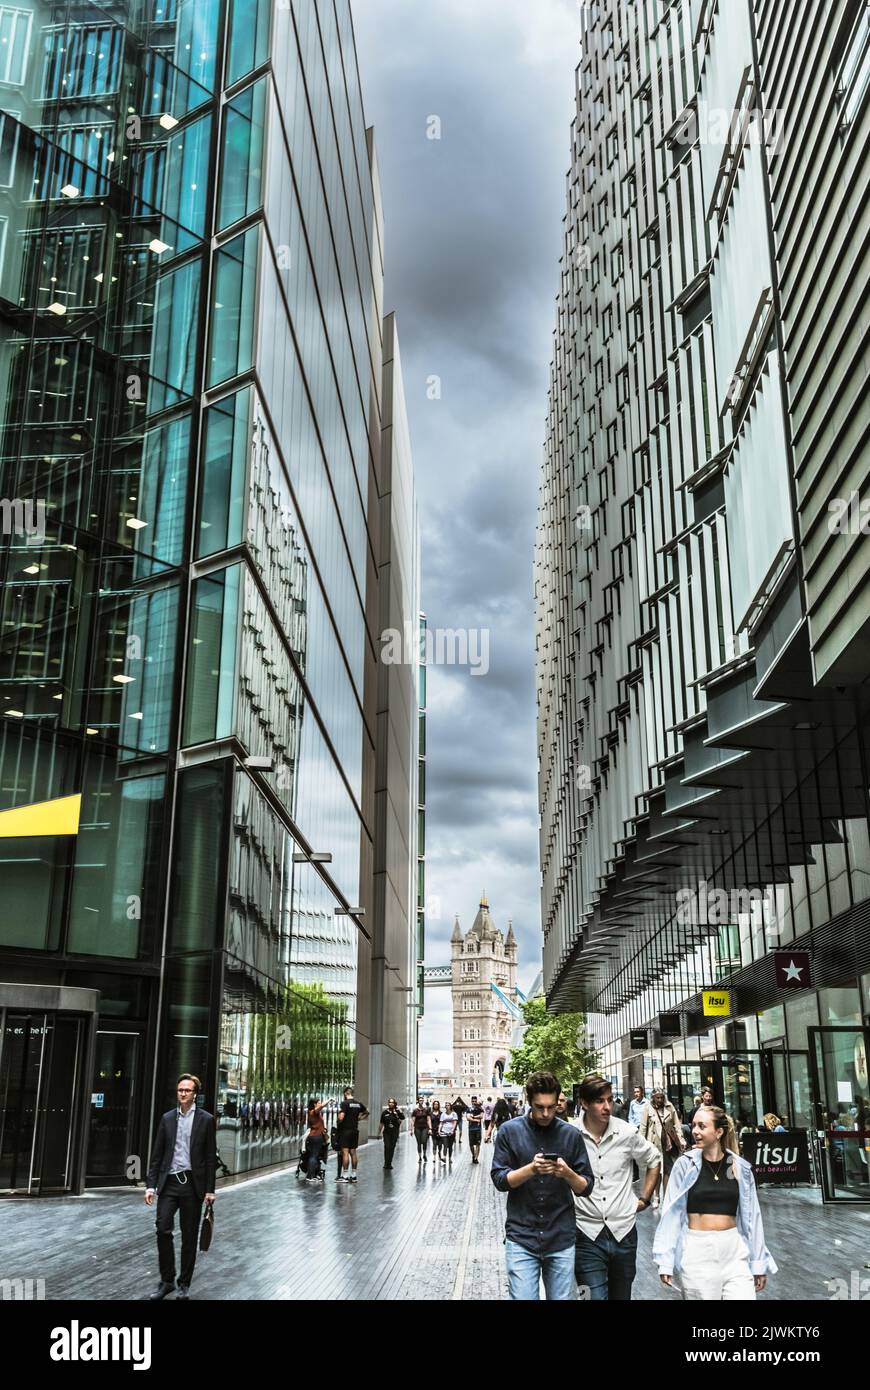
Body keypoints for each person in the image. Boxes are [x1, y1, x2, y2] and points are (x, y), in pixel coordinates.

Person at [653, 1104, 777, 1300]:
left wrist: (758, 1262)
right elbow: (672, 1214)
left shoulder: (738, 1167)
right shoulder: (685, 1165)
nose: (695, 1131)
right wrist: (665, 1260)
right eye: (694, 1126)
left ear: (719, 1132)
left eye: (702, 1126)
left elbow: (752, 1217)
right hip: (697, 1251)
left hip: (734, 1250)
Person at [491, 1070, 594, 1301]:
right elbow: (499, 1180)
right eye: (539, 1107)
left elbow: (586, 1187)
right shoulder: (509, 1131)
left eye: (551, 1107)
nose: (546, 1113)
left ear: (559, 1101)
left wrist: (567, 1173)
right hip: (521, 1237)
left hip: (560, 1237)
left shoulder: (571, 1135)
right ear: (529, 1102)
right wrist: (531, 1169)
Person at [571, 1074, 661, 1300]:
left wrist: (645, 1198)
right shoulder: (570, 1135)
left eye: (610, 1100)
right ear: (584, 1103)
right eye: (600, 1101)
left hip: (624, 1233)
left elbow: (654, 1160)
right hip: (586, 1234)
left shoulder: (627, 1133)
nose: (607, 1107)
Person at [145, 1073, 216, 1300]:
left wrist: (210, 1189)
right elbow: (157, 1155)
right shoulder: (167, 1119)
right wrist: (150, 1186)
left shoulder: (206, 1120)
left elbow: (209, 1157)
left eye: (187, 1090)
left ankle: (184, 1283)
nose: (183, 1093)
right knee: (162, 1228)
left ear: (195, 1094)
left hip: (192, 1186)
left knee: (188, 1236)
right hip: (169, 1183)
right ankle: (167, 1280)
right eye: (180, 1090)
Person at [640, 1089, 685, 1204]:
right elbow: (643, 1127)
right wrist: (641, 1144)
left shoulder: (669, 1107)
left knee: (667, 1170)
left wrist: (681, 1139)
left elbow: (677, 1125)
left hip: (668, 1144)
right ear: (653, 1097)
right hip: (654, 1144)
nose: (660, 1100)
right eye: (657, 1097)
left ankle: (666, 1197)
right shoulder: (647, 1108)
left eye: (661, 1097)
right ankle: (656, 1196)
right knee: (656, 1171)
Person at [337, 1086, 369, 1182]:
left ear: (346, 1093)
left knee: (345, 1152)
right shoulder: (358, 1104)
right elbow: (367, 1112)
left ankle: (345, 1176)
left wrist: (339, 1118)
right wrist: (359, 1118)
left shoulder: (344, 1103)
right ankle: (354, 1175)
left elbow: (341, 1117)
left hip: (346, 1131)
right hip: (355, 1130)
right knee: (353, 1152)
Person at [304, 1096, 328, 1181]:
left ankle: (313, 1174)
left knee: (315, 1156)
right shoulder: (312, 1112)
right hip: (315, 1137)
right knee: (313, 1156)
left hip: (316, 1136)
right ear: (314, 1104)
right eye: (318, 1102)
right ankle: (310, 1176)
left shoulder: (314, 1113)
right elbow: (321, 1107)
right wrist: (328, 1100)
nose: (320, 1104)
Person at [378, 1098, 404, 1169]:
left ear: (395, 1104)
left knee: (392, 1147)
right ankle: (386, 1163)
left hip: (395, 1132)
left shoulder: (398, 1112)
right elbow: (381, 1123)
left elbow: (401, 1120)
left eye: (392, 1102)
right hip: (386, 1132)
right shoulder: (384, 1113)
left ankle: (389, 1163)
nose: (391, 1104)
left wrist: (397, 1114)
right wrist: (379, 1133)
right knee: (387, 1146)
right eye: (389, 1102)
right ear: (388, 1103)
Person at [410, 1097, 431, 1162]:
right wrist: (411, 1129)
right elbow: (413, 1120)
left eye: (422, 1100)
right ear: (418, 1102)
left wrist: (430, 1128)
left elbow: (428, 1119)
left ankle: (424, 1154)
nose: (421, 1101)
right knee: (419, 1143)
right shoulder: (415, 1110)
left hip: (425, 1128)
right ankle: (419, 1157)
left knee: (424, 1141)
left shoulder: (426, 1110)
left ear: (423, 1101)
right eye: (420, 1100)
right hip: (417, 1128)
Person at [467, 1095, 484, 1163]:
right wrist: (476, 1120)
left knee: (478, 1144)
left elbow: (481, 1116)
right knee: (471, 1144)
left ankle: (476, 1158)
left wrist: (473, 1117)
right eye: (473, 1101)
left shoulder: (480, 1108)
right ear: (471, 1101)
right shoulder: (469, 1108)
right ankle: (473, 1155)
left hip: (478, 1129)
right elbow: (468, 1118)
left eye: (475, 1101)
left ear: (476, 1101)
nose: (474, 1102)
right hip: (471, 1128)